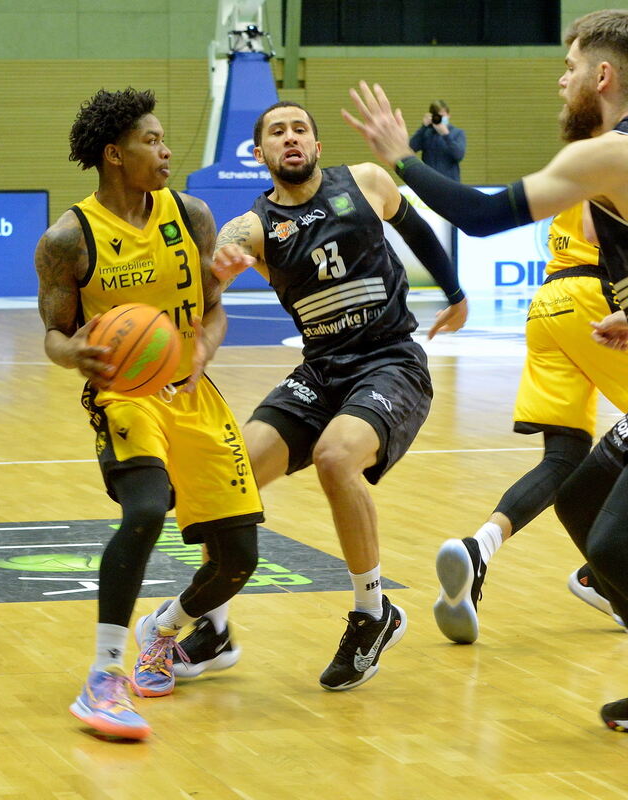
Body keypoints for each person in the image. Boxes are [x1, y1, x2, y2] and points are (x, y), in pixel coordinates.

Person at [344, 10, 628, 796]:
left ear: (603, 78)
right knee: (582, 502)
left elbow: (481, 218)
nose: (562, 78)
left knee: (617, 546)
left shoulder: (611, 150)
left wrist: (402, 157)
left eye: (569, 64)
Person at [431, 38, 628, 643]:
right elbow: (604, 225)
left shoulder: (627, 152)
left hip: (549, 305)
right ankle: (609, 565)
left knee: (566, 462)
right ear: (625, 76)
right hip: (596, 299)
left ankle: (481, 546)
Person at [189, 100, 468, 692]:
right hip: (321, 370)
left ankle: (373, 611)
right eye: (276, 132)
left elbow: (415, 227)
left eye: (300, 129)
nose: (291, 138)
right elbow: (213, 264)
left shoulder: (364, 181)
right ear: (260, 154)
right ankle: (212, 628)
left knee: (336, 457)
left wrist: (455, 292)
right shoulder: (254, 226)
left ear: (315, 144)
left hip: (390, 361)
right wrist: (221, 267)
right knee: (227, 476)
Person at [35, 87, 264, 740]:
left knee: (238, 559)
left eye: (165, 139)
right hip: (125, 394)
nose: (166, 150)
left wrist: (202, 352)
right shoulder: (68, 239)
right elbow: (54, 332)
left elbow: (214, 307)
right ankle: (104, 677)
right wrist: (75, 354)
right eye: (151, 141)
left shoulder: (190, 215)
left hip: (195, 392)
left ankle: (161, 634)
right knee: (143, 511)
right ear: (115, 154)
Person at [408, 100, 466, 180]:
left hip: (450, 182)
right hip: (429, 181)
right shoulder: (426, 133)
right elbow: (411, 148)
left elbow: (459, 155)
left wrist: (446, 135)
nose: (440, 118)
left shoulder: (457, 133)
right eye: (437, 116)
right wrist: (423, 127)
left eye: (442, 115)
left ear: (449, 115)